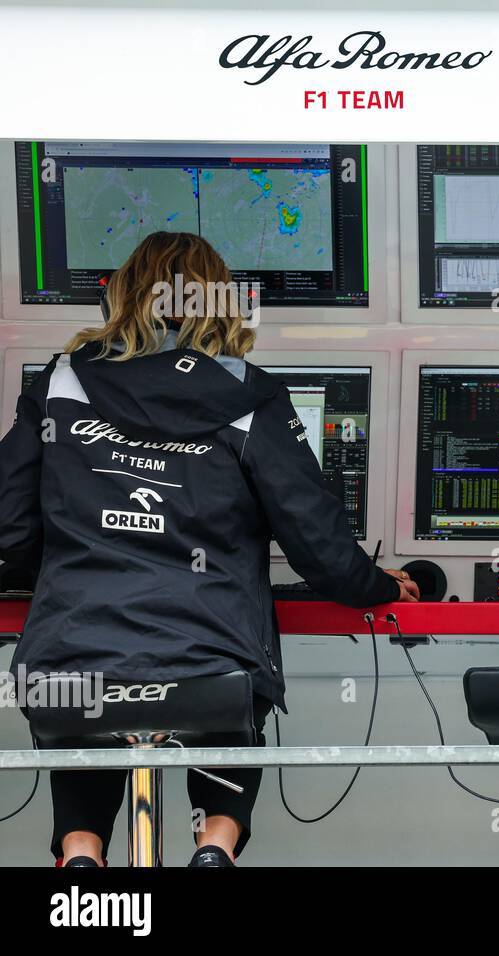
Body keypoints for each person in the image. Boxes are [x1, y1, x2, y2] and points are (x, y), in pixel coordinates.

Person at [0, 231, 417, 867]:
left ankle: (82, 855)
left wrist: (63, 575)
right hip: (212, 663)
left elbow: (8, 529)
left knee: (85, 689)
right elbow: (319, 545)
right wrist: (382, 586)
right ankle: (214, 847)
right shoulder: (252, 397)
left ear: (121, 296)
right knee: (226, 702)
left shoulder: (58, 384)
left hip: (70, 657)